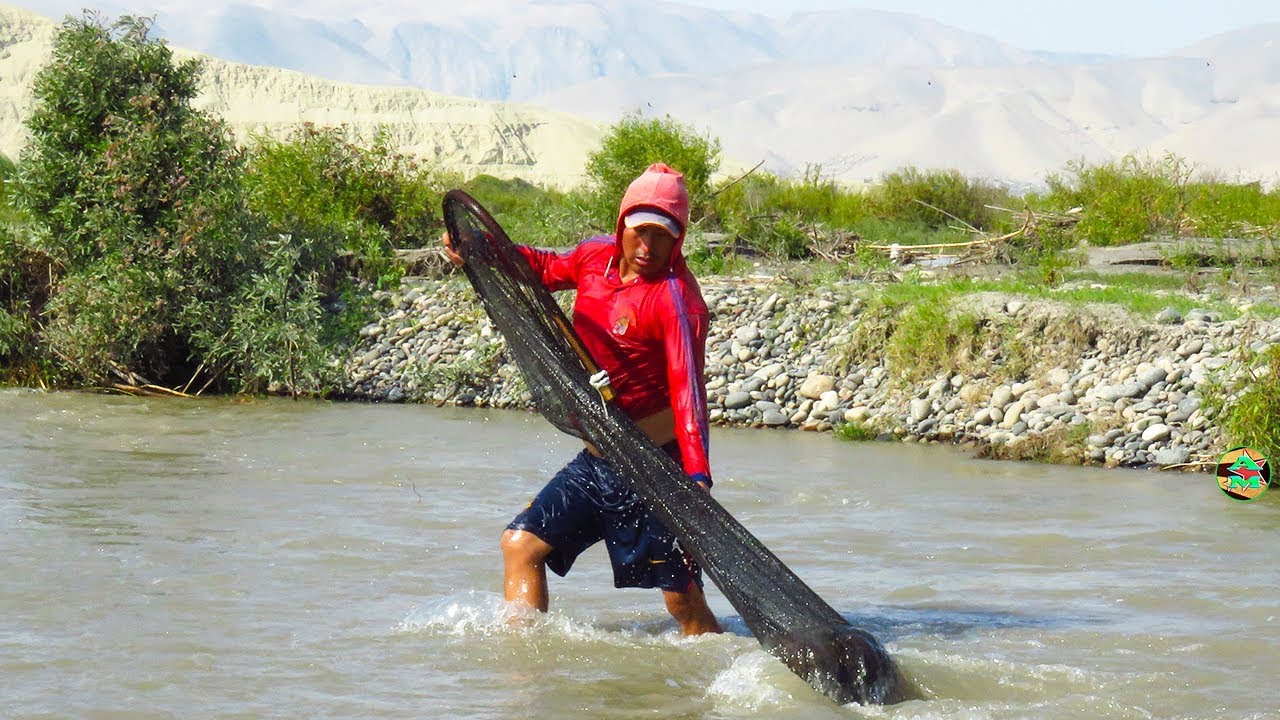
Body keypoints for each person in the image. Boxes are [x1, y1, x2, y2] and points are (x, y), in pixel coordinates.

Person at [442, 163, 721, 635]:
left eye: (663, 235)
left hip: (658, 468)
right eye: (640, 231)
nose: (648, 246)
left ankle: (714, 669)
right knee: (519, 544)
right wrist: (478, 249)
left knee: (681, 603)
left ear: (679, 239)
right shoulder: (595, 259)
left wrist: (697, 477)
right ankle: (525, 671)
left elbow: (689, 393)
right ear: (622, 224)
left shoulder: (679, 302)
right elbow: (543, 267)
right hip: (599, 459)